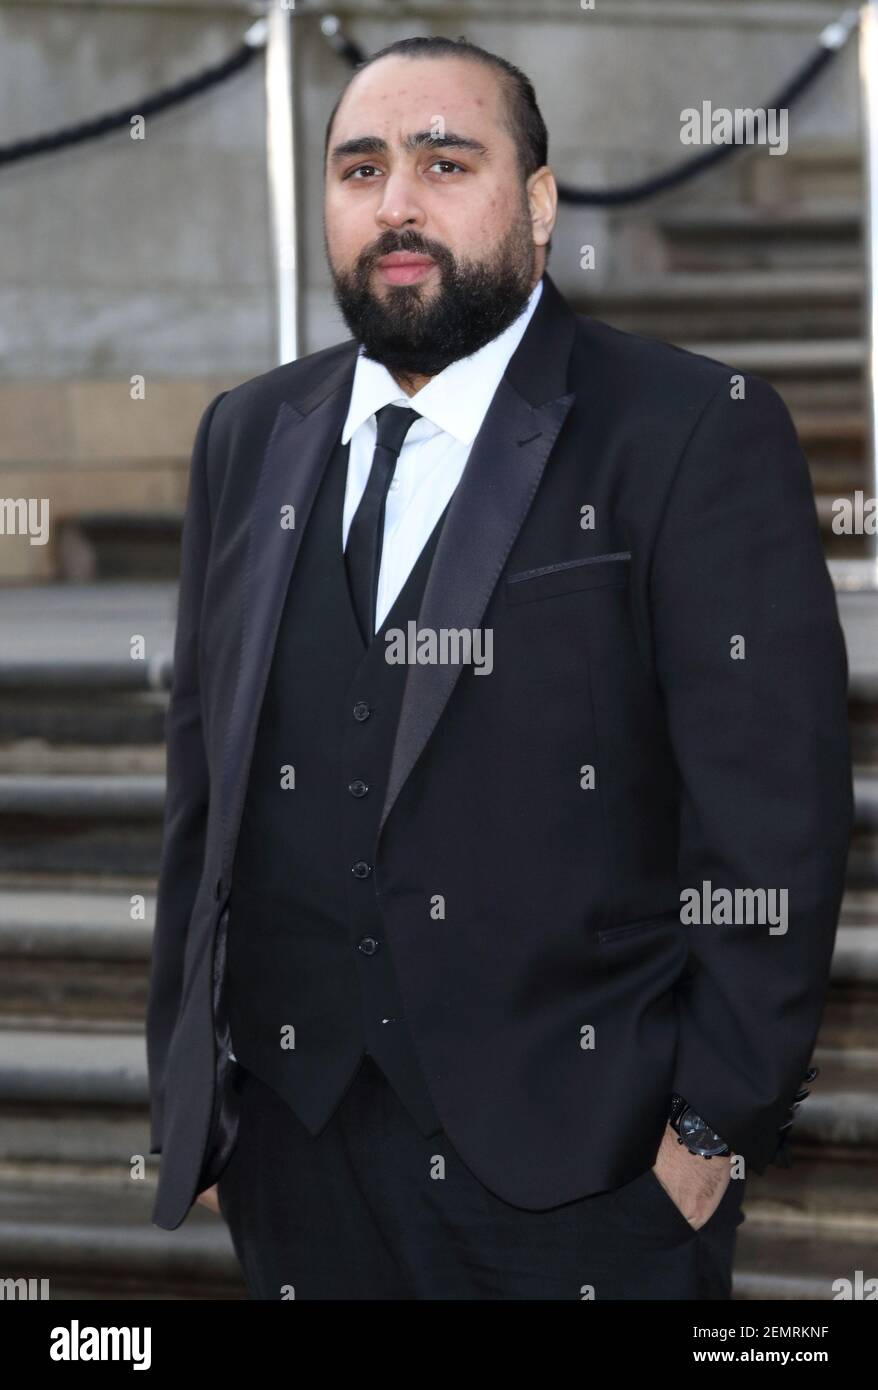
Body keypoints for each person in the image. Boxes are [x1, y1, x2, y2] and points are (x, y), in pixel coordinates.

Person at [145, 35, 853, 1300]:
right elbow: (202, 795)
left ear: (536, 203)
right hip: (298, 1155)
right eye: (359, 168)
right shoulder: (247, 435)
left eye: (443, 162)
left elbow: (772, 818)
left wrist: (709, 1129)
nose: (395, 204)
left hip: (585, 1173)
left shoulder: (688, 428)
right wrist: (194, 1093)